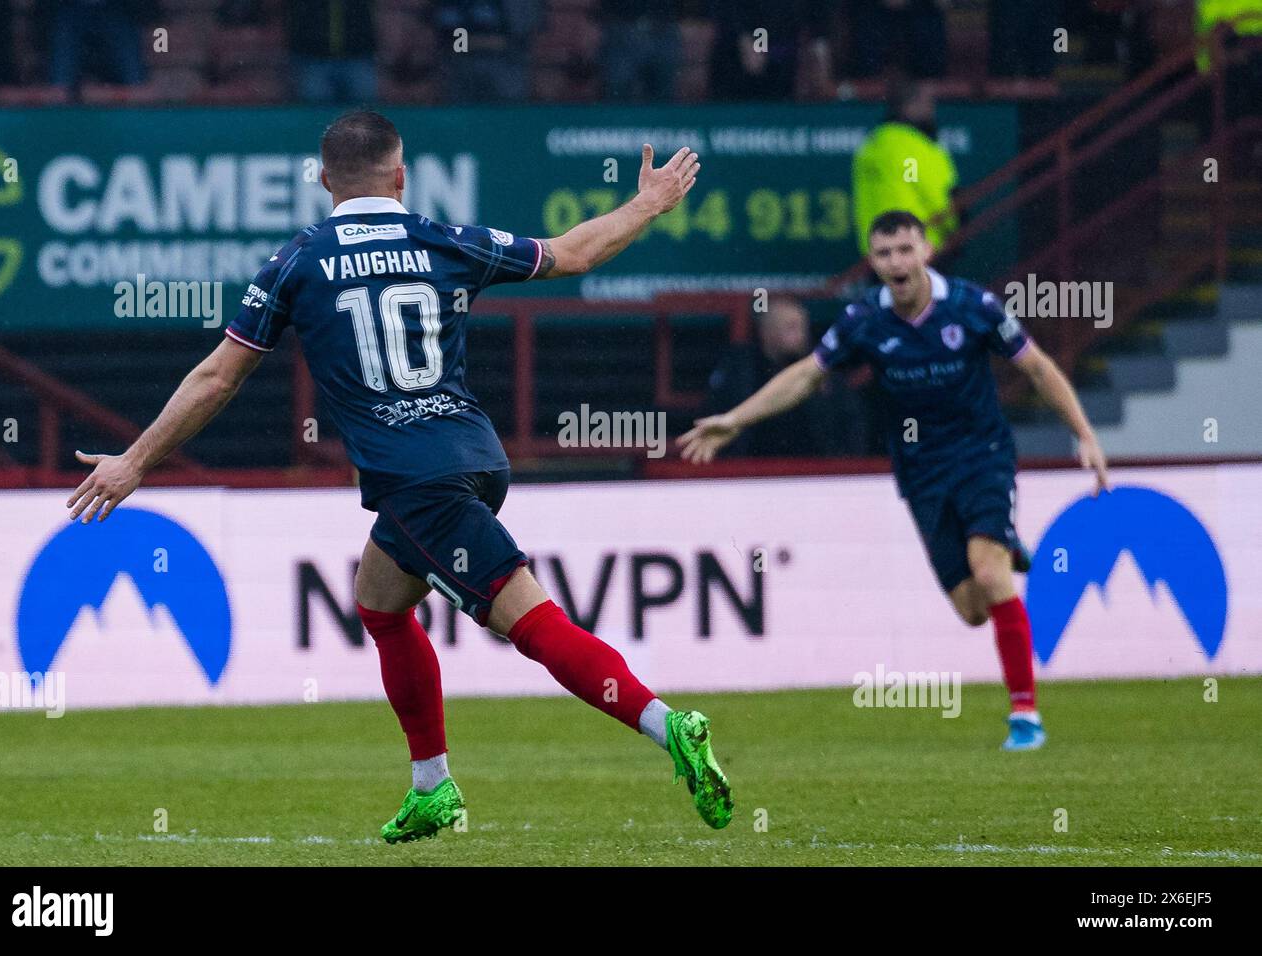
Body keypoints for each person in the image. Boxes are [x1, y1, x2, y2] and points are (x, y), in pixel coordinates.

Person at [67, 111, 733, 840]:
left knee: (532, 624)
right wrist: (647, 203)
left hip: (416, 481)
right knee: (380, 602)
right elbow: (571, 254)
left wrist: (134, 461)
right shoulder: (444, 239)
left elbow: (217, 377)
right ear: (401, 175)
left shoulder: (297, 261)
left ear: (323, 181)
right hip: (473, 457)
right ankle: (431, 785)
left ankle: (669, 726)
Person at [680, 210, 1111, 752]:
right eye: (884, 254)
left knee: (988, 569)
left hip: (982, 455)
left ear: (926, 250)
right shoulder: (864, 320)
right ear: (874, 261)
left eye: (905, 250)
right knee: (973, 609)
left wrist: (1084, 433)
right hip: (921, 471)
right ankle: (1003, 545)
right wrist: (735, 418)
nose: (896, 263)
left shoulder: (972, 307)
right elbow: (806, 375)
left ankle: (1025, 713)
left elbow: (1038, 368)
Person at [703, 297, 870, 457]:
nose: (801, 334)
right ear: (767, 332)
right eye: (792, 327)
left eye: (803, 327)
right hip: (753, 470)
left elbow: (850, 425)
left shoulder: (820, 370)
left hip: (815, 471)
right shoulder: (742, 371)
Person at [852, 81, 957, 256]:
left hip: (876, 248)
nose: (932, 110)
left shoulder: (871, 145)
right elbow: (934, 194)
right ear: (909, 106)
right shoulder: (912, 145)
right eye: (927, 103)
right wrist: (955, 226)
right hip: (916, 247)